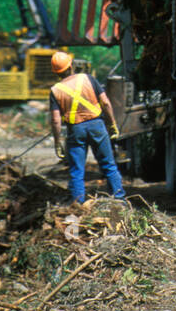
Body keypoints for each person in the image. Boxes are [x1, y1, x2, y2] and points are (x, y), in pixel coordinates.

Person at [49, 51, 127, 203]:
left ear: (56, 73)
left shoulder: (55, 90)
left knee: (77, 172)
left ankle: (78, 205)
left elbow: (56, 120)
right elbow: (105, 103)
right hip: (97, 125)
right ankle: (119, 200)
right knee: (109, 165)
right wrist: (112, 124)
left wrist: (57, 142)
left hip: (75, 130)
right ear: (70, 66)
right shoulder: (88, 78)